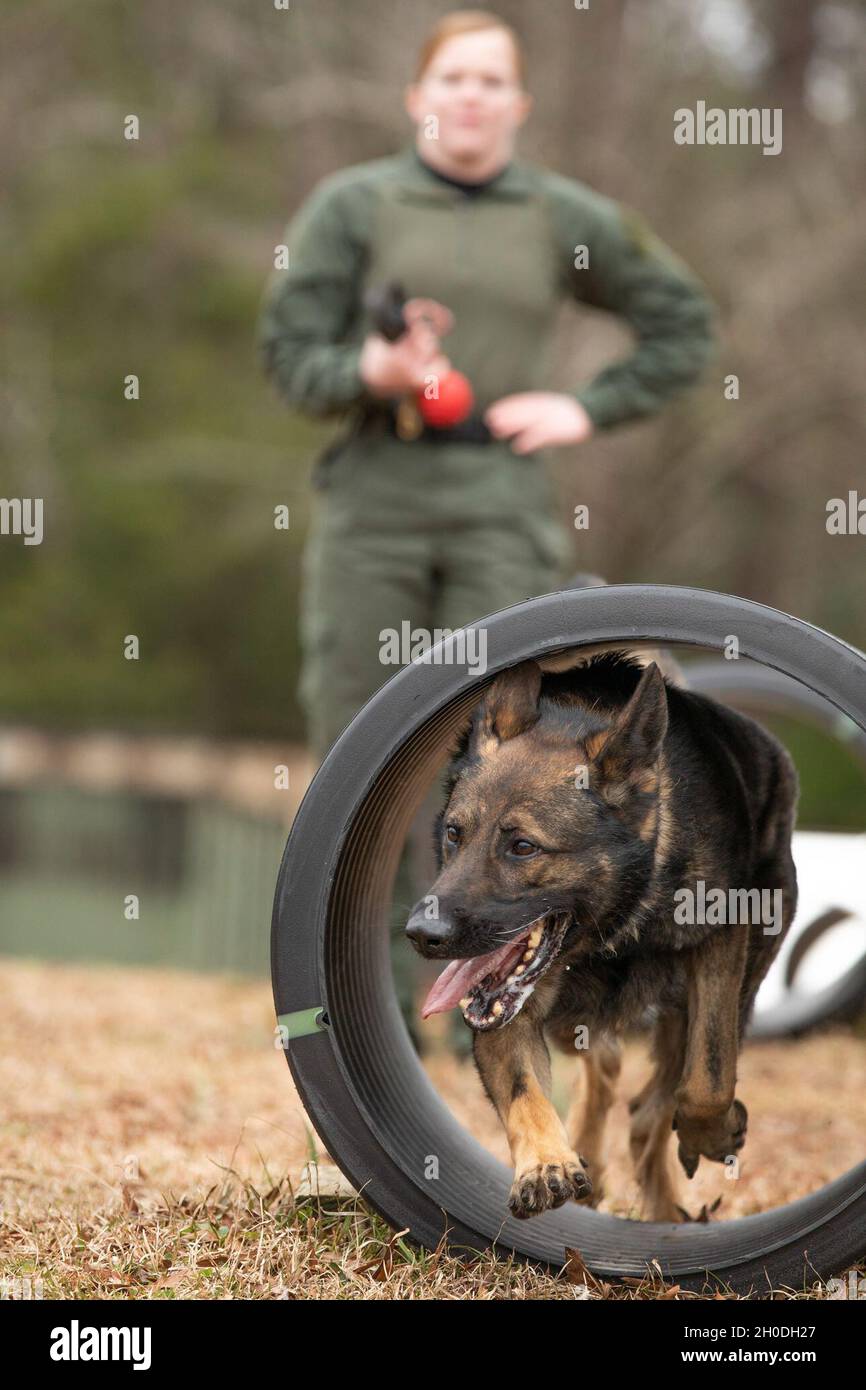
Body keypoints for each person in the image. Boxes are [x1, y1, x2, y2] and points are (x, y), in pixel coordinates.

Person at [257, 9, 716, 1049]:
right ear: (417, 95)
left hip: (502, 507)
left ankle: (498, 1028)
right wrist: (367, 373)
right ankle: (362, 1037)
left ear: (517, 104)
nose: (468, 95)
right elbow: (289, 355)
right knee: (357, 761)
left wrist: (583, 406)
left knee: (496, 757)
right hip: (372, 497)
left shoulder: (558, 213)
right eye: (451, 77)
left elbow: (682, 322)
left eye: (489, 80)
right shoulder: (353, 205)